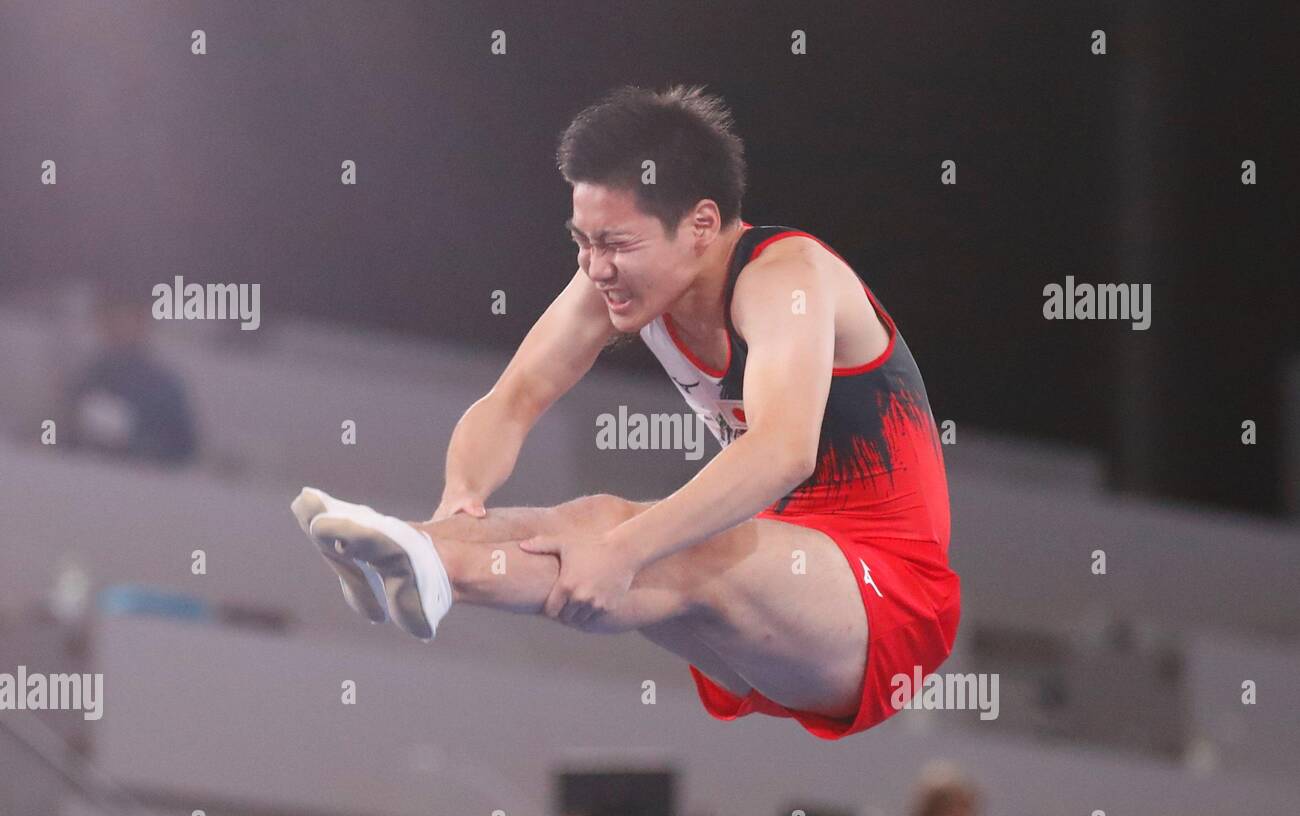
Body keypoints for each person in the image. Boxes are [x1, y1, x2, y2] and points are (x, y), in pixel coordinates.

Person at [292, 84, 960, 741]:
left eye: (614, 243)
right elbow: (514, 397)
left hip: (887, 599)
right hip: (774, 595)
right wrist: (458, 502)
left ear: (701, 224)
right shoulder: (618, 279)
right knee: (587, 518)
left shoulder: (786, 277)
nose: (595, 266)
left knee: (621, 530)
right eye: (581, 240)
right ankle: (416, 550)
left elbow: (784, 450)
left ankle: (437, 566)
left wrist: (621, 550)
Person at [63, 294, 198, 465]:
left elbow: (184, 448)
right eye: (112, 321)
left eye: (127, 321)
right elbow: (65, 434)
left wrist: (132, 446)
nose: (119, 329)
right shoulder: (87, 377)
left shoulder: (163, 385)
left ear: (143, 326)